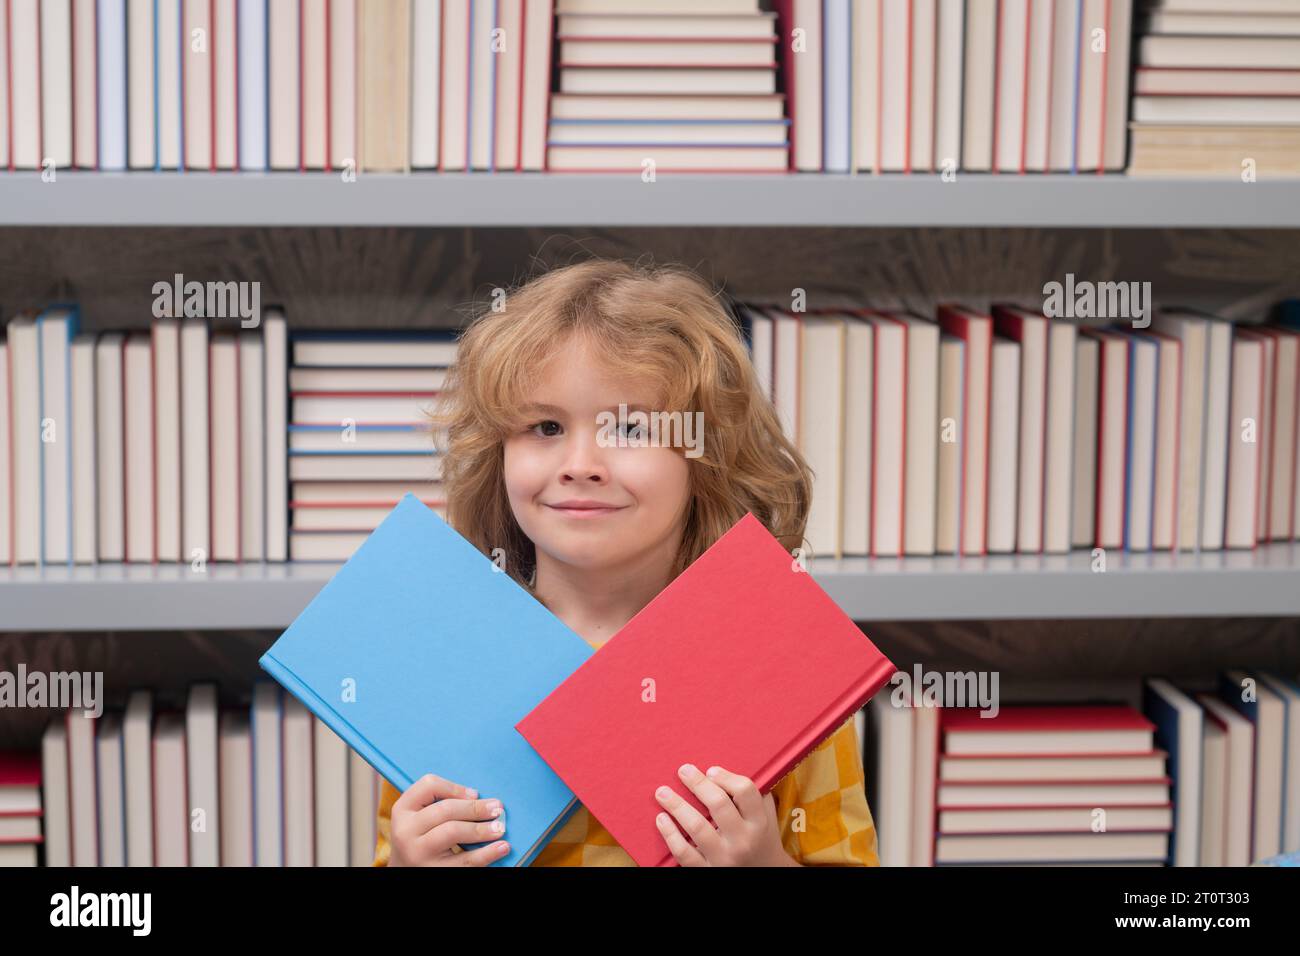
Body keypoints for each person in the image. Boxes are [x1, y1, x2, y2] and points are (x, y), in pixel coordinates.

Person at [374, 259, 879, 867]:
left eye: (630, 428)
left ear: (706, 460)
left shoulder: (785, 674)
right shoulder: (441, 668)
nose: (581, 462)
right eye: (545, 425)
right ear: (496, 456)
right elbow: (398, 844)